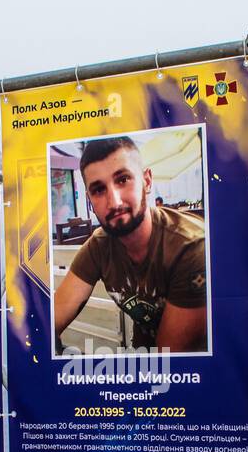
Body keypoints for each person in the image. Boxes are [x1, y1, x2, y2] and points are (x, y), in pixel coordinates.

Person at [53, 136, 207, 352]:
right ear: (89, 199)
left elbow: (169, 361)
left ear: (147, 181)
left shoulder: (190, 247)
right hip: (143, 360)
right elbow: (49, 323)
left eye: (123, 179)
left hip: (202, 373)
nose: (114, 202)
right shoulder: (100, 245)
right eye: (99, 190)